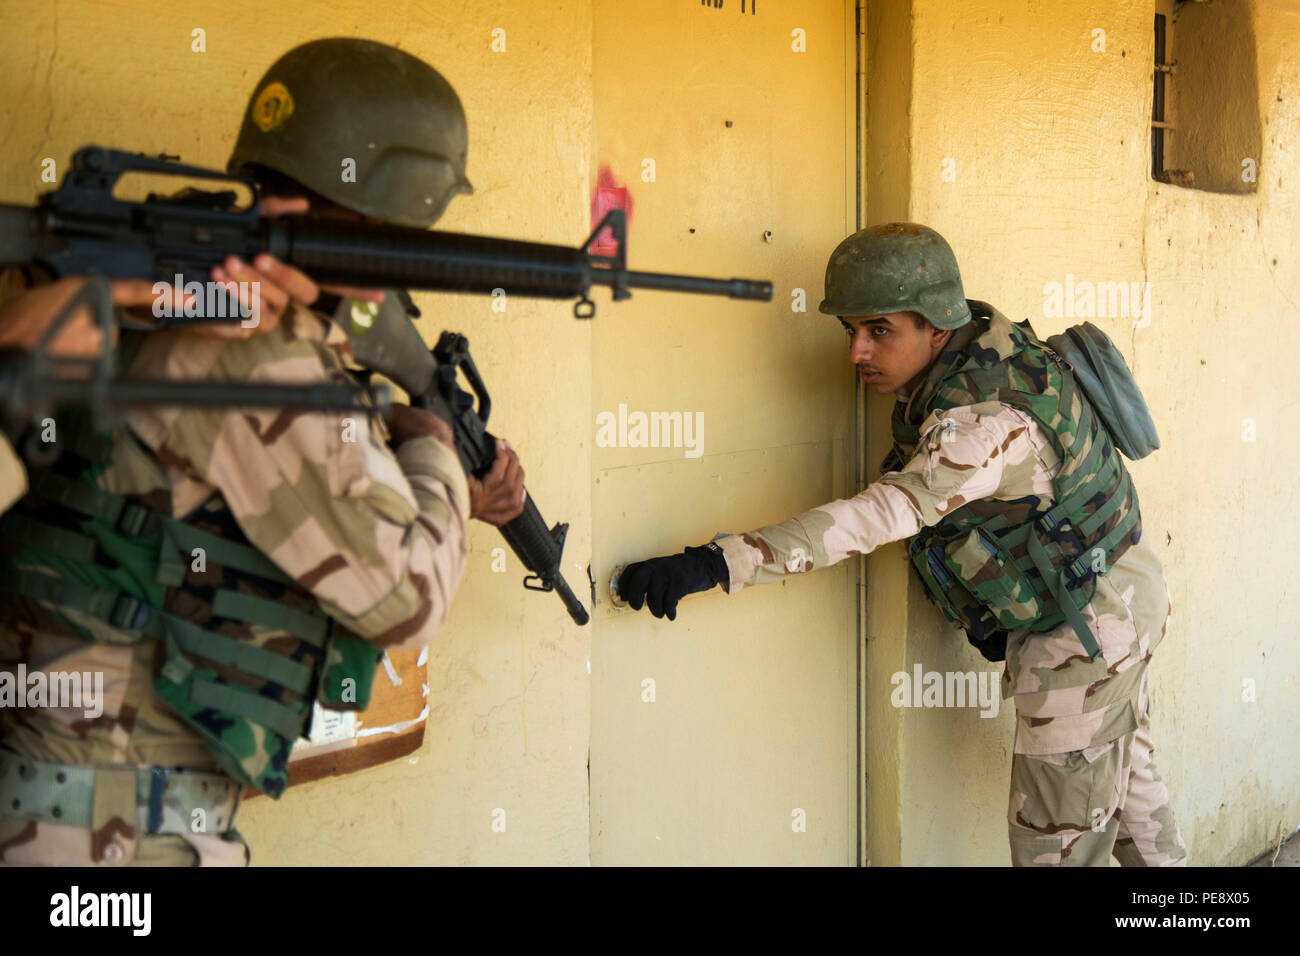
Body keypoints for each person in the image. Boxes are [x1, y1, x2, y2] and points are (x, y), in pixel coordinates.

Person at [0, 38, 524, 866]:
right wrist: (441, 468)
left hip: (65, 802)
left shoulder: (142, 291)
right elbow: (406, 597)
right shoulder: (257, 352)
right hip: (116, 832)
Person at [616, 222, 1188, 867]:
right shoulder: (995, 349)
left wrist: (718, 562)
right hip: (1121, 593)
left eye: (879, 330)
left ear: (937, 327)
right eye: (850, 331)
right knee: (1128, 791)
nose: (857, 352)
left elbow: (880, 514)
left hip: (1084, 634)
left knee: (1057, 844)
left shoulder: (981, 424)